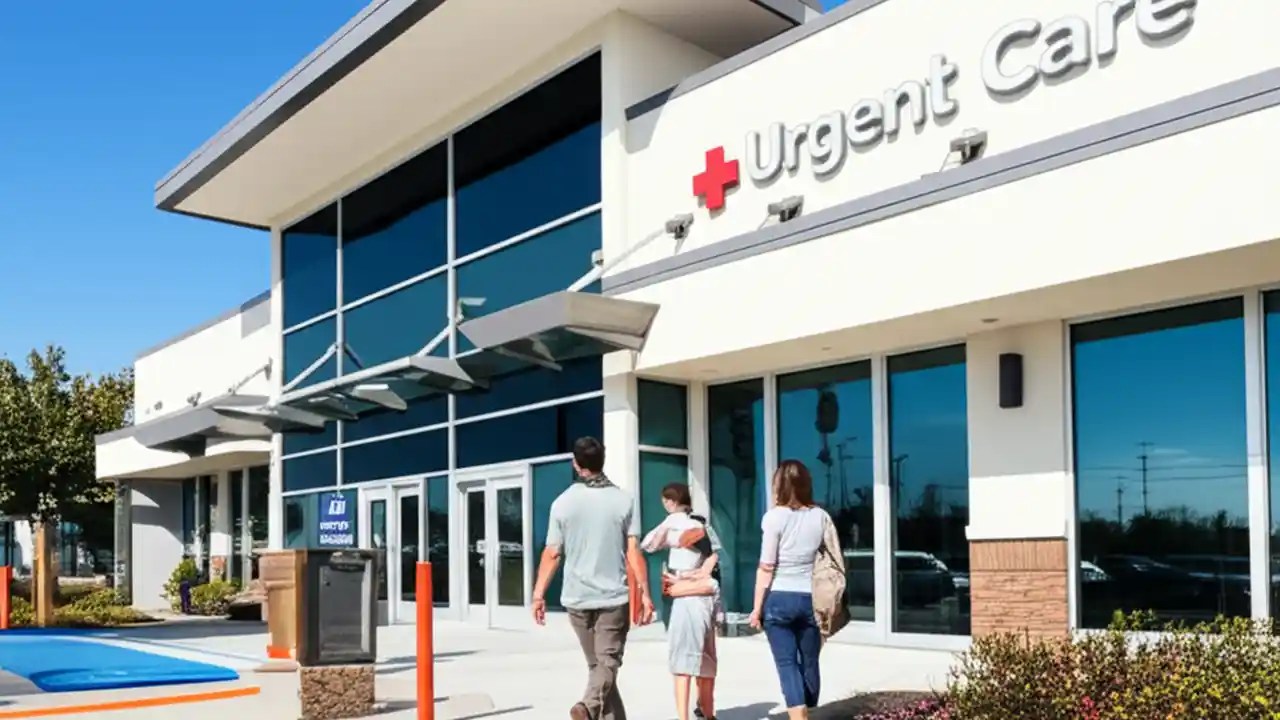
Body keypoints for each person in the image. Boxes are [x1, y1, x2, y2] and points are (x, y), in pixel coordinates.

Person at [532, 437, 655, 720]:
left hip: (576, 600)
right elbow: (633, 551)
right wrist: (645, 593)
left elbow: (552, 553)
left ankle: (589, 707)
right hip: (613, 599)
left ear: (576, 464)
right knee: (606, 667)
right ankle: (587, 707)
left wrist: (539, 594)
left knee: (598, 668)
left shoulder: (562, 503)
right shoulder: (624, 500)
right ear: (602, 461)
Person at [748, 460, 829, 719]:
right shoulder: (821, 516)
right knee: (810, 661)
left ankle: (797, 715)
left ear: (779, 485)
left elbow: (766, 566)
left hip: (780, 597)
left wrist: (756, 608)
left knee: (786, 664)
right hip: (810, 598)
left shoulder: (774, 517)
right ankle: (811, 711)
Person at [640, 483, 721, 720]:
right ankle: (708, 712)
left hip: (684, 597)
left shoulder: (676, 525)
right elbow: (714, 555)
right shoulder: (702, 524)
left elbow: (648, 544)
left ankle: (683, 716)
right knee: (706, 660)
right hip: (705, 597)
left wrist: (668, 526)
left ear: (670, 502)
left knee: (682, 662)